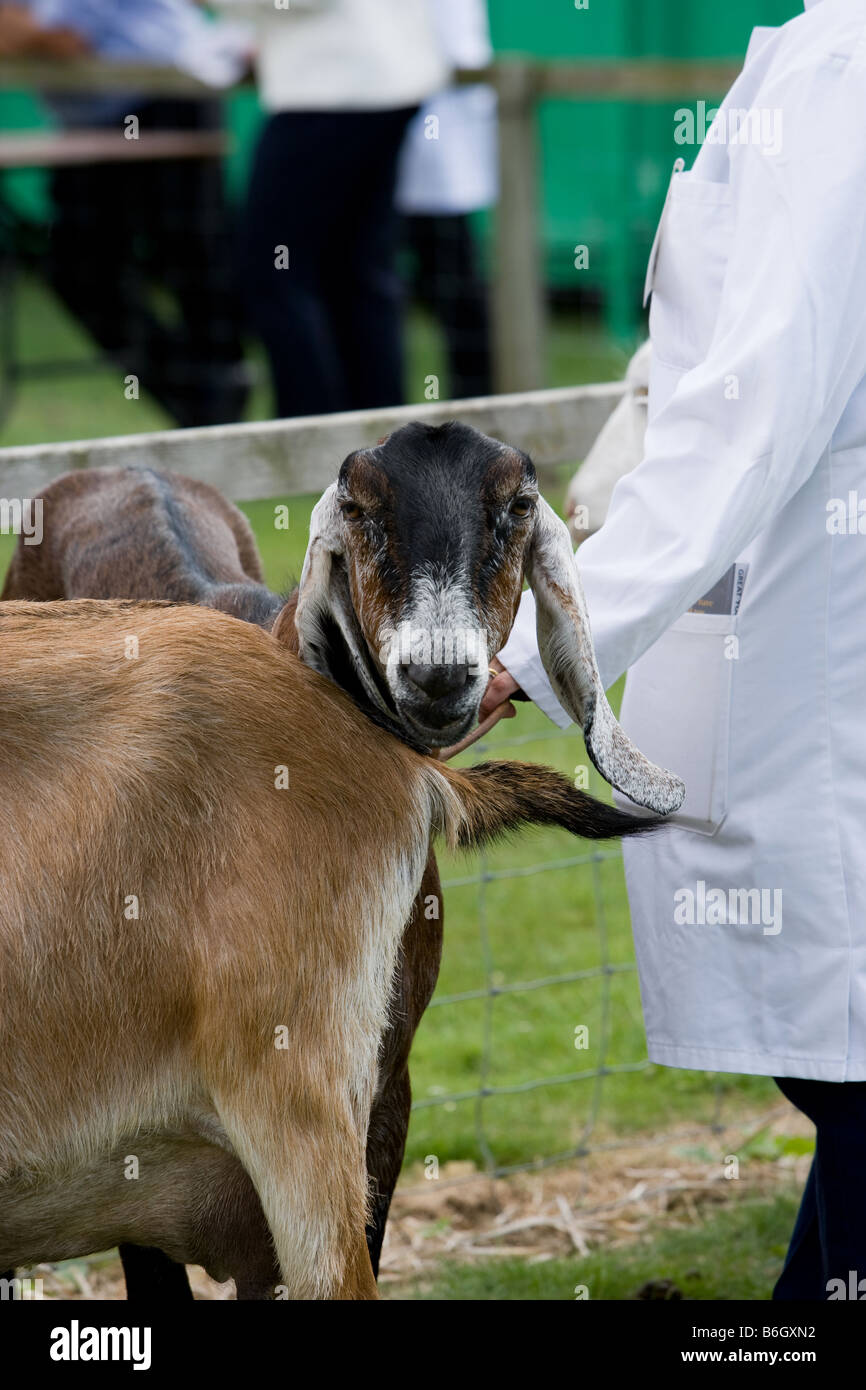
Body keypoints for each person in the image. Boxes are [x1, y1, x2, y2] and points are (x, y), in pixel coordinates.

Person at [483, 0, 866, 1301]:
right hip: (799, 621)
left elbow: (744, 408)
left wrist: (539, 645)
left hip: (819, 637)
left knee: (848, 1057)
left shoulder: (839, 66)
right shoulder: (804, 49)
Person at [9, 0, 252, 428]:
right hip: (94, 118)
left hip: (170, 92)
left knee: (193, 262)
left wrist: (27, 32)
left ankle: (218, 398)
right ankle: (203, 404)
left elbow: (64, 41)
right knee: (78, 271)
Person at [228, 0, 447, 417]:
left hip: (335, 89)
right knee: (356, 272)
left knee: (276, 272)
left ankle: (312, 436)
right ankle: (377, 444)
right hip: (378, 81)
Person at [395, 0, 496, 401]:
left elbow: (461, 51)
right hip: (407, 148)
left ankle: (475, 410)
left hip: (434, 148)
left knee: (456, 292)